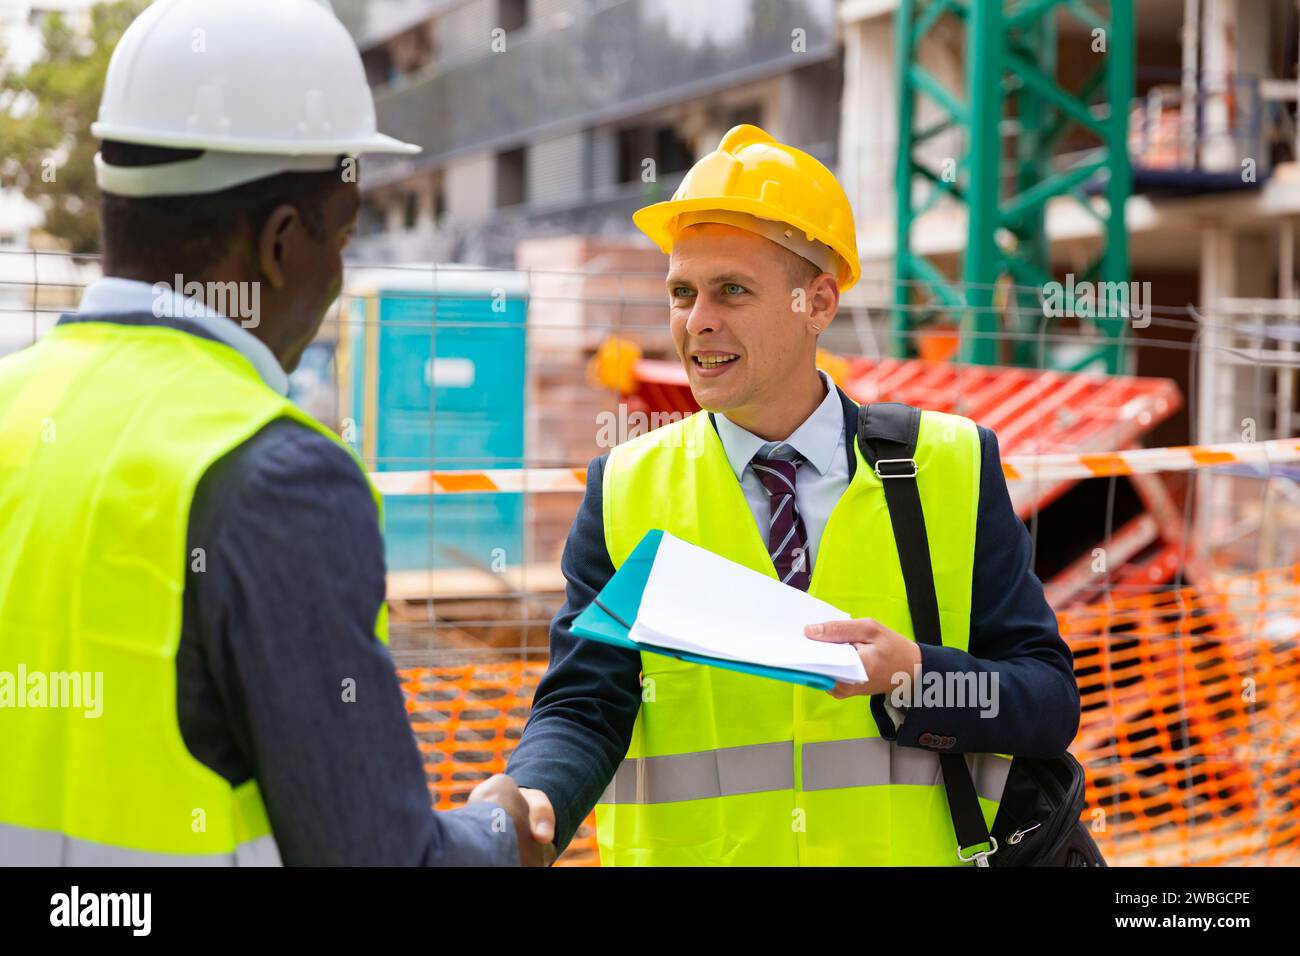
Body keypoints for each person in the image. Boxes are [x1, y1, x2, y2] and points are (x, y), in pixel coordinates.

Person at [0, 0, 541, 866]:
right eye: (346, 235)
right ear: (284, 242)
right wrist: (501, 834)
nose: (339, 272)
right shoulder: (274, 476)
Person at [505, 125, 1081, 866]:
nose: (696, 321)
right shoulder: (624, 491)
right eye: (682, 292)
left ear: (819, 301)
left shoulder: (952, 467)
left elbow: (1046, 702)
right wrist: (537, 797)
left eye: (731, 291)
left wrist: (916, 677)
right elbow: (584, 707)